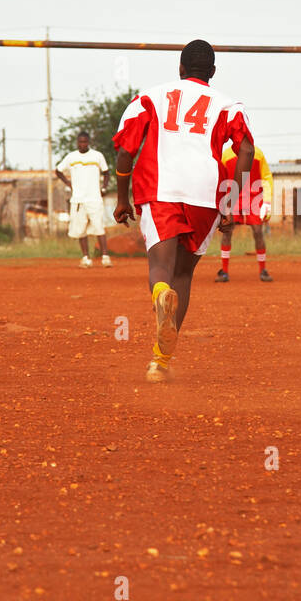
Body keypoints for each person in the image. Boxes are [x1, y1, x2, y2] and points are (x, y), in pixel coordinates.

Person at [112, 39, 255, 382]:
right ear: (213, 73)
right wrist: (230, 202)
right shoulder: (229, 105)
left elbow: (125, 151)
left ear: (179, 68)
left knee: (161, 269)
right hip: (207, 193)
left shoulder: (150, 96)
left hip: (160, 187)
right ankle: (160, 363)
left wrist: (121, 198)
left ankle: (161, 298)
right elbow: (246, 150)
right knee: (184, 274)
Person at [215, 143, 273, 282]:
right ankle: (224, 271)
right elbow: (220, 178)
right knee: (227, 232)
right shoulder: (226, 155)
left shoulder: (258, 153)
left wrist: (267, 201)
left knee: (258, 232)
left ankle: (263, 270)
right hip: (232, 198)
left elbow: (266, 177)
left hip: (254, 198)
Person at [56, 131, 112, 267]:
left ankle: (105, 257)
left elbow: (106, 172)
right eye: (80, 142)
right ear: (77, 142)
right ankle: (86, 258)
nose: (82, 144)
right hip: (78, 200)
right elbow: (58, 170)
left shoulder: (97, 156)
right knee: (80, 229)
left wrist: (103, 188)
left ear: (89, 142)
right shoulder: (71, 157)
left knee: (99, 227)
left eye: (85, 142)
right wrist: (68, 183)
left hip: (94, 198)